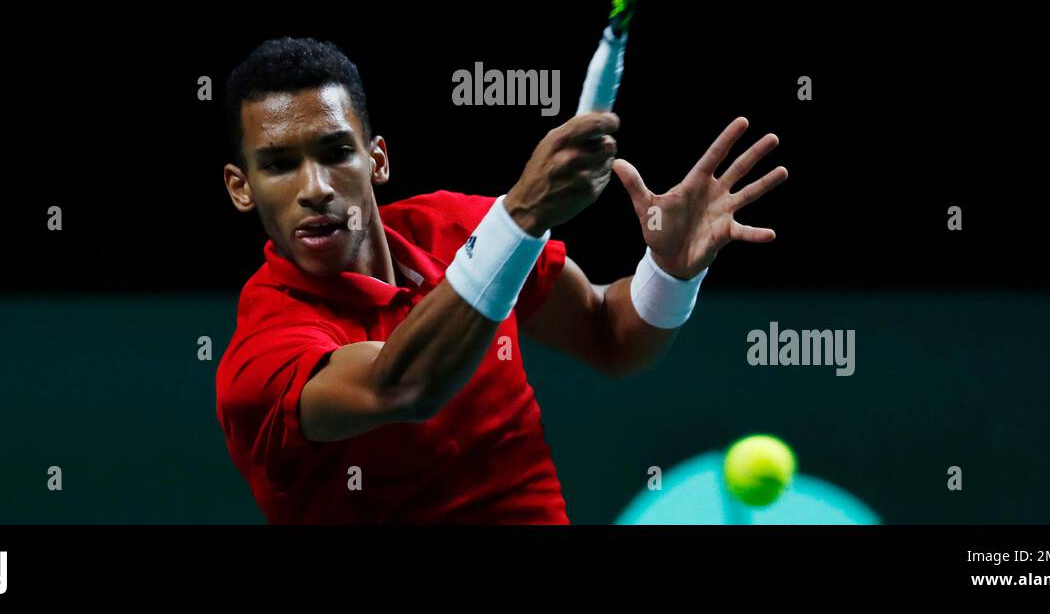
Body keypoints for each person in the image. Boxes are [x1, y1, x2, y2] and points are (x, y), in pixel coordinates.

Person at [215, 37, 787, 522]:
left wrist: (670, 270)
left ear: (377, 159)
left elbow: (609, 335)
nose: (314, 186)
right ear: (242, 187)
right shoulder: (260, 357)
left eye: (336, 151)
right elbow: (401, 385)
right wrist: (521, 217)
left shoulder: (458, 228)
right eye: (279, 164)